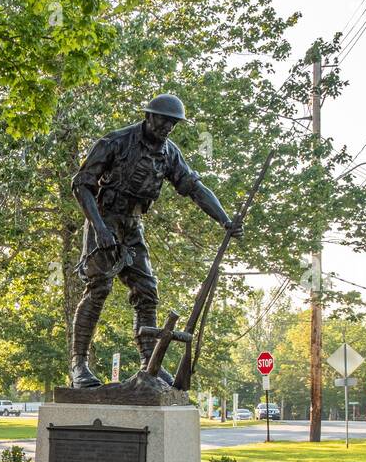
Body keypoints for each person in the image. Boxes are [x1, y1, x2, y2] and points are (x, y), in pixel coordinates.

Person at [70, 93, 242, 387]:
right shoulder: (115, 142)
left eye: (173, 124)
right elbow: (81, 185)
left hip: (133, 224)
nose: (167, 128)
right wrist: (99, 227)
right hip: (104, 217)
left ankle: (149, 363)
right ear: (148, 116)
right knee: (98, 287)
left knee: (147, 290)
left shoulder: (169, 153)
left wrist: (225, 219)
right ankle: (79, 365)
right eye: (163, 120)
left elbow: (195, 188)